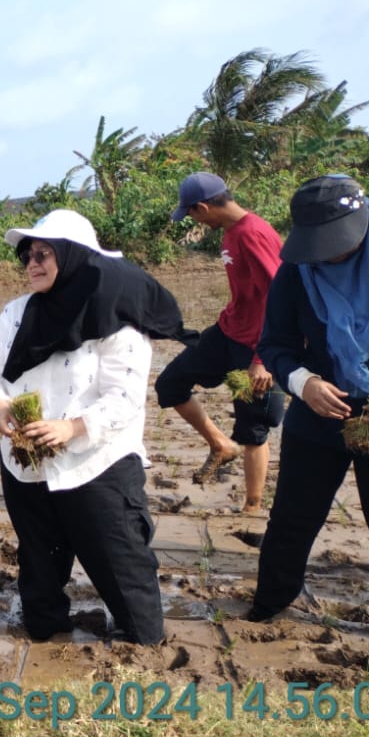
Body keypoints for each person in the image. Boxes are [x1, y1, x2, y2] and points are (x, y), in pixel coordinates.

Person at [0, 209, 193, 646]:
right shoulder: (17, 313)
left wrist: (72, 428)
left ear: (74, 258)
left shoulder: (117, 320)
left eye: (44, 254)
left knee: (125, 575)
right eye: (28, 255)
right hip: (27, 464)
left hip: (97, 464)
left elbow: (125, 398)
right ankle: (47, 635)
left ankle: (140, 640)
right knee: (39, 567)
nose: (32, 264)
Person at [249, 176, 369, 652]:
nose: (327, 256)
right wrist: (304, 383)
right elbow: (275, 344)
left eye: (336, 245)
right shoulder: (297, 270)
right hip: (318, 411)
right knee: (292, 519)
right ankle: (269, 605)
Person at [153, 172, 285, 511]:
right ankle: (220, 445)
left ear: (202, 207)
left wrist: (262, 358)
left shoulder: (253, 234)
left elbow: (280, 296)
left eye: (192, 213)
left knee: (253, 427)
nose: (193, 220)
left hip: (256, 346)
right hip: (227, 332)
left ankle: (252, 506)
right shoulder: (231, 232)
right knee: (171, 384)